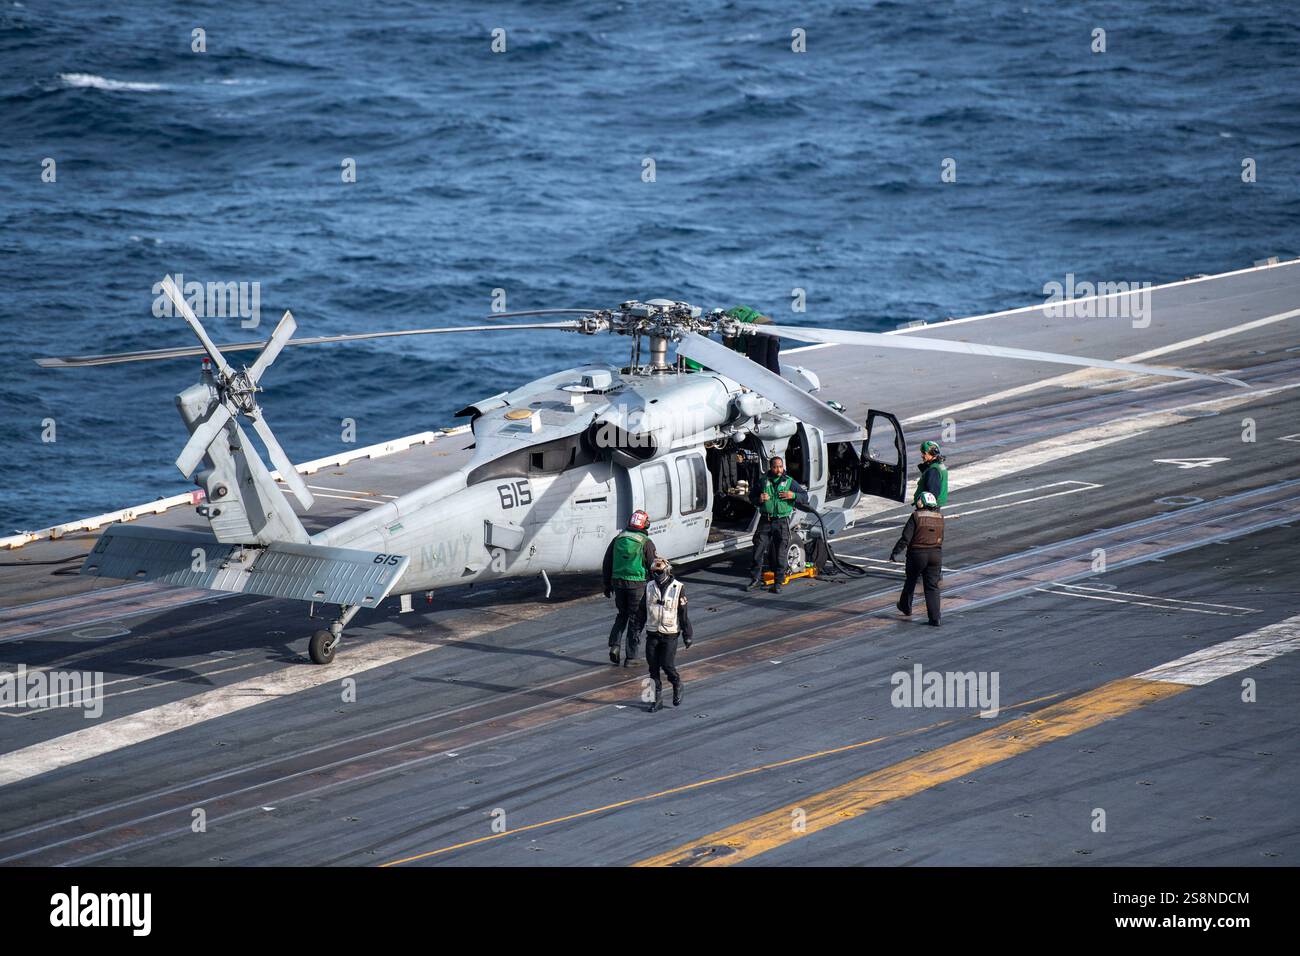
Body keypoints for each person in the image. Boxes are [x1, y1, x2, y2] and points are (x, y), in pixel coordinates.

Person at [745, 455, 808, 593]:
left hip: (781, 521)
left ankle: (778, 583)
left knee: (780, 553)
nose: (778, 469)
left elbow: (804, 496)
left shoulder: (790, 482)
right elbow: (752, 497)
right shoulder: (763, 482)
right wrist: (759, 499)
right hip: (765, 521)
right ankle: (755, 580)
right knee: (758, 551)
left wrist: (793, 496)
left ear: (783, 467)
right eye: (775, 467)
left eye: (780, 466)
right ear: (771, 468)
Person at [602, 510, 657, 665]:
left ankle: (615, 645)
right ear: (645, 524)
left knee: (622, 615)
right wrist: (657, 589)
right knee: (636, 619)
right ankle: (631, 657)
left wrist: (607, 585)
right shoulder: (646, 542)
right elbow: (652, 566)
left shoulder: (618, 539)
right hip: (637, 585)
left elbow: (607, 562)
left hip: (618, 583)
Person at [643, 556, 693, 712]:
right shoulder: (649, 586)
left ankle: (677, 683)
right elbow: (640, 610)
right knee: (652, 667)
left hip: (670, 633)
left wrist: (687, 634)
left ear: (667, 571)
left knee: (667, 665)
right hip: (652, 632)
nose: (656, 575)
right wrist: (635, 631)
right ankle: (654, 700)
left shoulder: (678, 587)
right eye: (654, 572)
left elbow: (683, 613)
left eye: (659, 572)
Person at [890, 491, 944, 626]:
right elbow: (941, 538)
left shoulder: (916, 516)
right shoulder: (940, 517)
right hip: (936, 555)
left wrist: (895, 552)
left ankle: (906, 607)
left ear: (922, 502)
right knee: (932, 587)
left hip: (917, 554)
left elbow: (906, 538)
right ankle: (935, 618)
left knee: (911, 581)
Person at [912, 440, 948, 508]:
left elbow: (932, 494)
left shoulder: (933, 470)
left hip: (929, 508)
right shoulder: (938, 465)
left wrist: (922, 504)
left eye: (924, 453)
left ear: (931, 453)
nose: (922, 455)